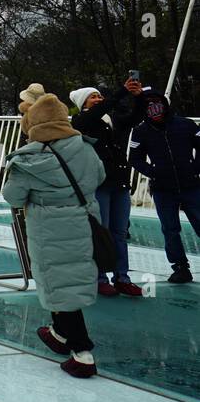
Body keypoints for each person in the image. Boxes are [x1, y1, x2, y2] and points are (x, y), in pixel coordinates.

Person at [3, 84, 103, 379]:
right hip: (83, 223)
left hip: (48, 230)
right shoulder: (84, 146)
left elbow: (13, 196)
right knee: (70, 281)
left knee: (59, 288)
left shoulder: (28, 158)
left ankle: (82, 354)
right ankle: (59, 333)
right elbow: (99, 175)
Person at [70, 80, 146, 296]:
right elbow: (97, 113)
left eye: (99, 96)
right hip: (99, 184)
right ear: (82, 103)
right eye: (93, 97)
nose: (99, 99)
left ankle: (122, 277)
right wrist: (122, 91)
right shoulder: (81, 121)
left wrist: (138, 97)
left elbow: (134, 118)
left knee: (119, 233)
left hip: (119, 182)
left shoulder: (111, 119)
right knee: (101, 232)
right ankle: (100, 278)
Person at [129, 88, 200, 283]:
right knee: (170, 229)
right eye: (148, 105)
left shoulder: (185, 125)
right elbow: (135, 159)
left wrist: (195, 167)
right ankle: (180, 267)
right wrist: (154, 172)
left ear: (165, 104)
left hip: (192, 185)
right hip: (163, 189)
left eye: (157, 103)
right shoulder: (140, 131)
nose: (154, 108)